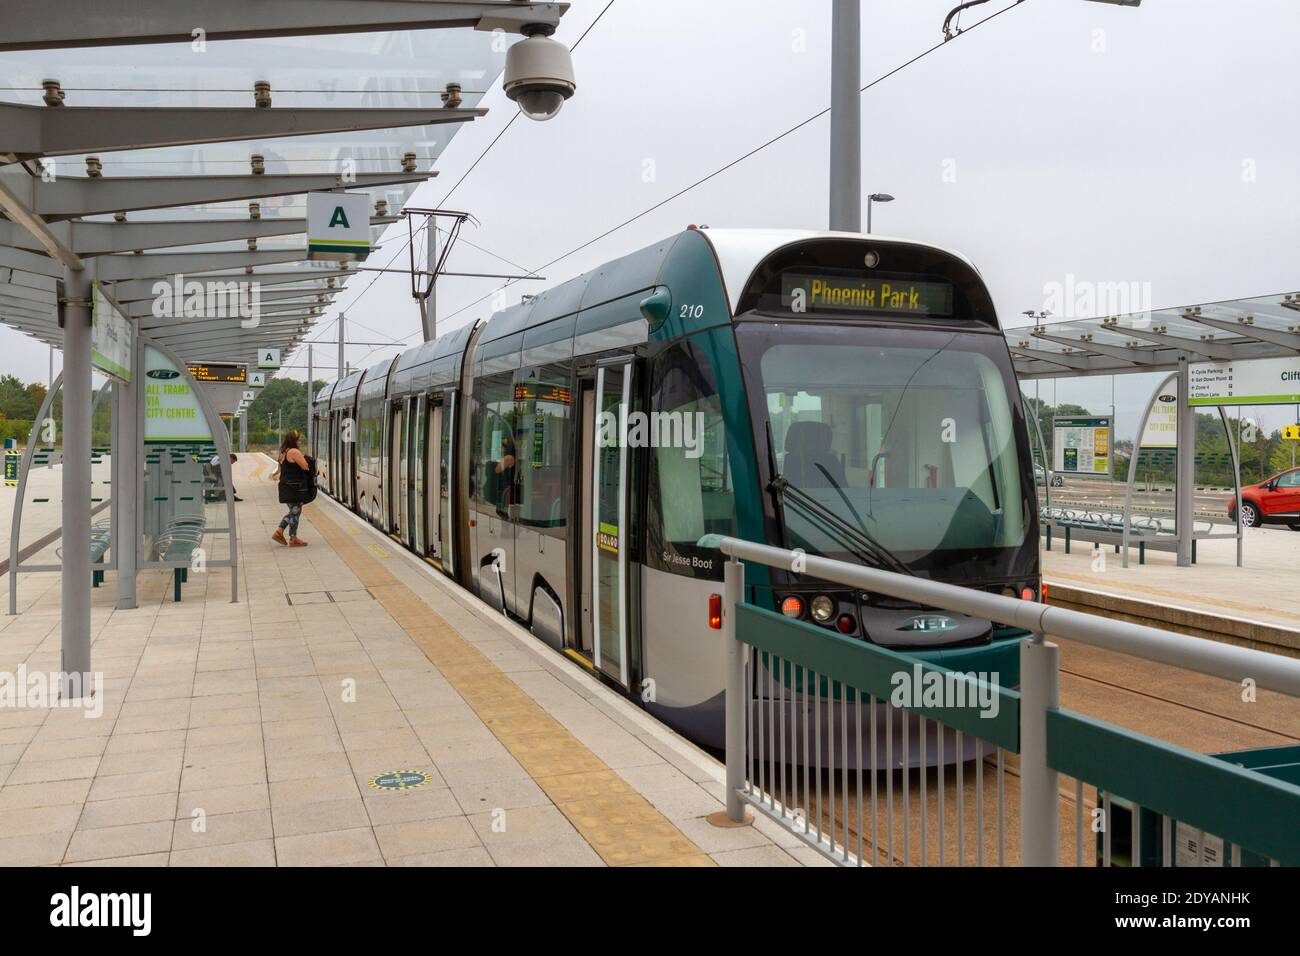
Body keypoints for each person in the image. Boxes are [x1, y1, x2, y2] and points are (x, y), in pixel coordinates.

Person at [272, 431, 315, 547]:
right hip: (295, 487)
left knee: (294, 511)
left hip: (286, 486)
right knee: (294, 512)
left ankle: (292, 537)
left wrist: (273, 475)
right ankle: (280, 532)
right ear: (293, 441)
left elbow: (279, 469)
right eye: (298, 440)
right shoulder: (294, 452)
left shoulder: (282, 452)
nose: (300, 442)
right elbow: (305, 466)